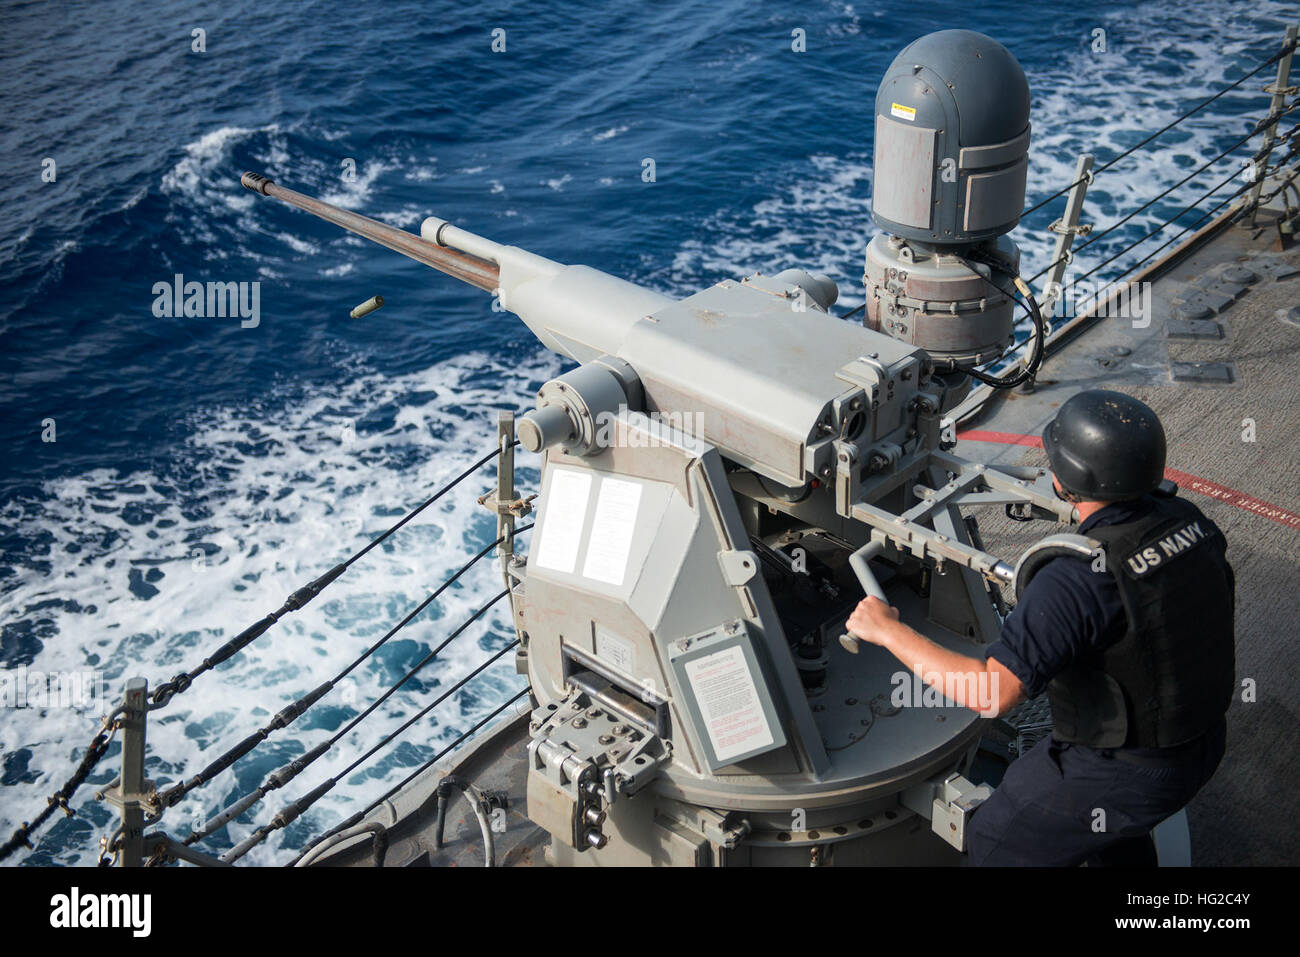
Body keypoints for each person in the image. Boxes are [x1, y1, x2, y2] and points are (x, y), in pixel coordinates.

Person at [845, 389, 1235, 866]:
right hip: (1201, 743)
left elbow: (992, 694)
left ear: (1067, 477)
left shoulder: (1076, 578)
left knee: (996, 839)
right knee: (1104, 828)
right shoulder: (1188, 522)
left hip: (1126, 771)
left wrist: (888, 630)